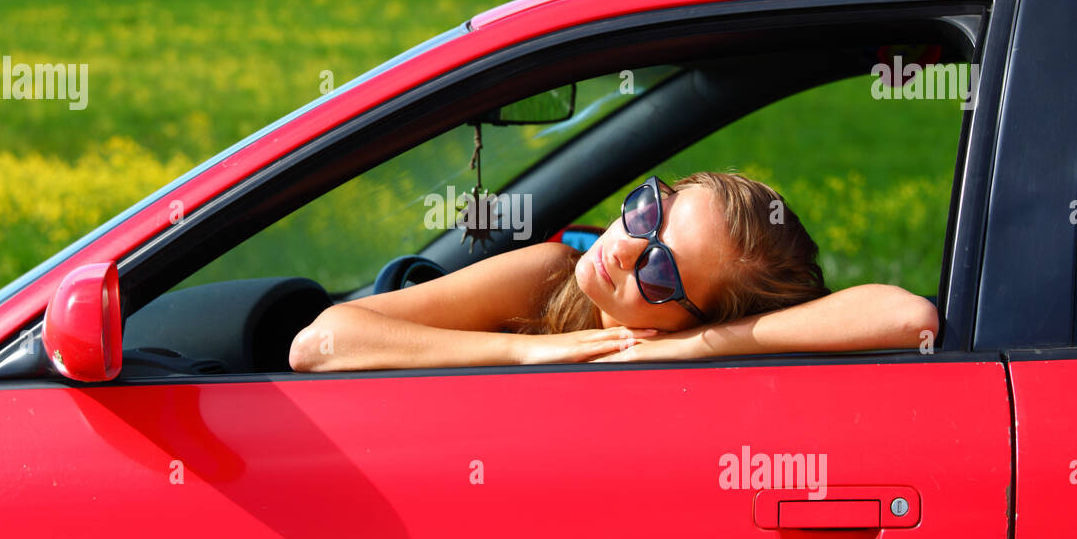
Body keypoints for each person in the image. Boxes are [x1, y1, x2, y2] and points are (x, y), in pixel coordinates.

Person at [289, 171, 939, 372]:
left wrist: (703, 346)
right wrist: (526, 353)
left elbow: (910, 320)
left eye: (660, 273)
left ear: (691, 319)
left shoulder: (687, 349)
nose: (626, 249)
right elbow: (317, 345)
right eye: (649, 208)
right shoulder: (549, 275)